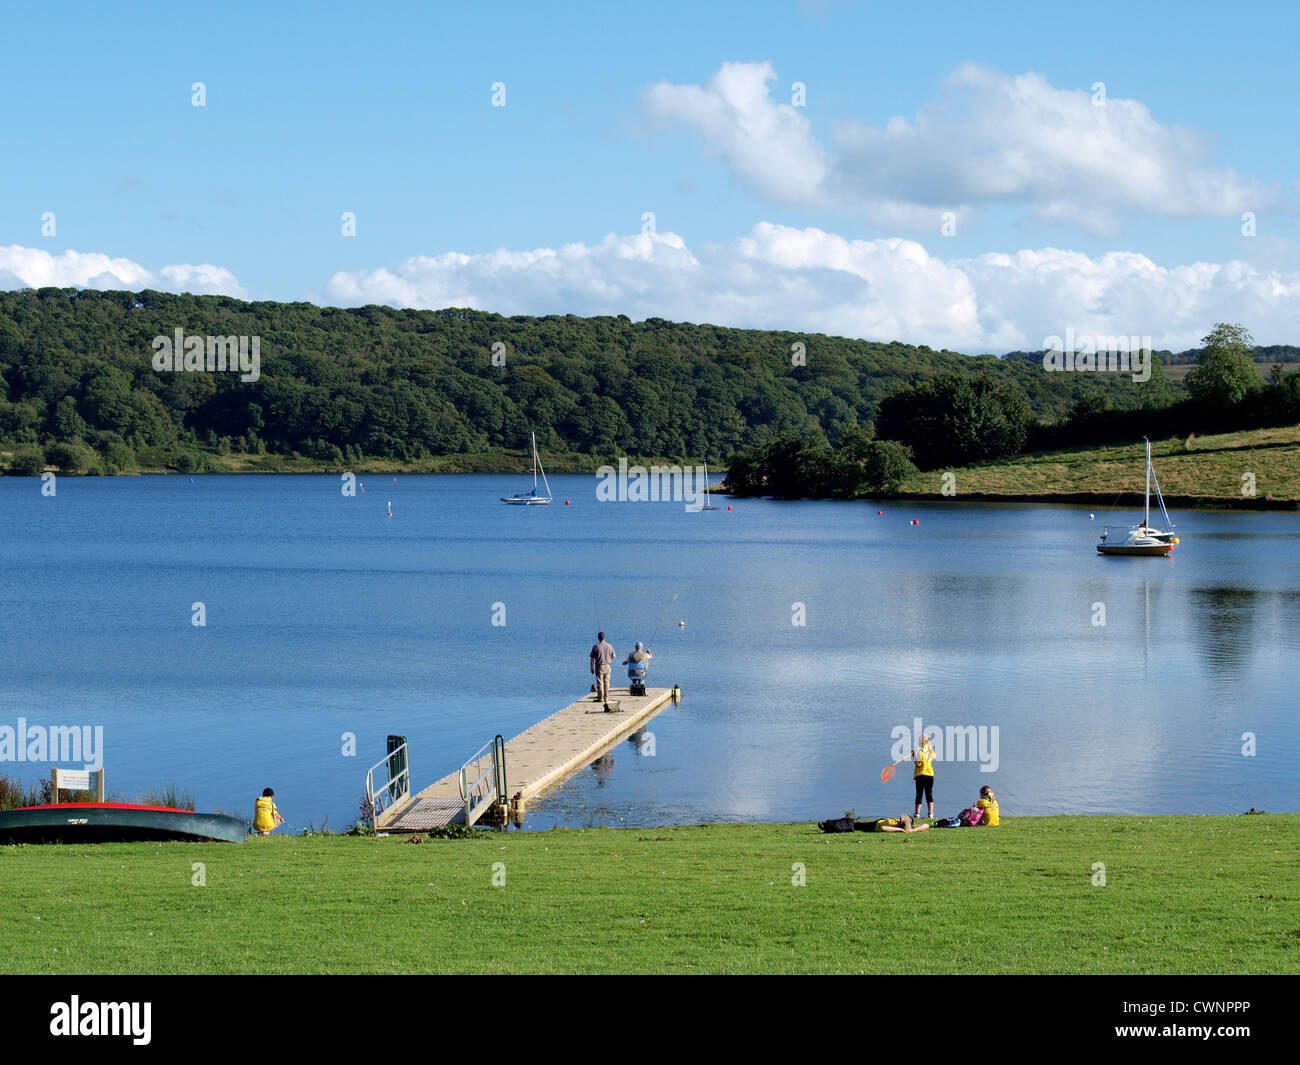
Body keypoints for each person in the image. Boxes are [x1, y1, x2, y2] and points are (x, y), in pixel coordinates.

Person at [911, 733, 936, 821]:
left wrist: (914, 756)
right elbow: (934, 756)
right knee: (929, 794)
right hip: (929, 774)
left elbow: (919, 764)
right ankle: (931, 814)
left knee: (919, 794)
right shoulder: (929, 748)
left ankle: (917, 814)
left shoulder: (918, 749)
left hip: (921, 774)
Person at [589, 632, 616, 705]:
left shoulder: (595, 647)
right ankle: (606, 698)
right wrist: (608, 657)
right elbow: (614, 656)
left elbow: (592, 659)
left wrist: (591, 668)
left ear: (598, 638)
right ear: (604, 637)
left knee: (600, 682)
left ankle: (600, 698)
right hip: (607, 665)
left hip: (599, 666)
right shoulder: (610, 646)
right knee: (606, 682)